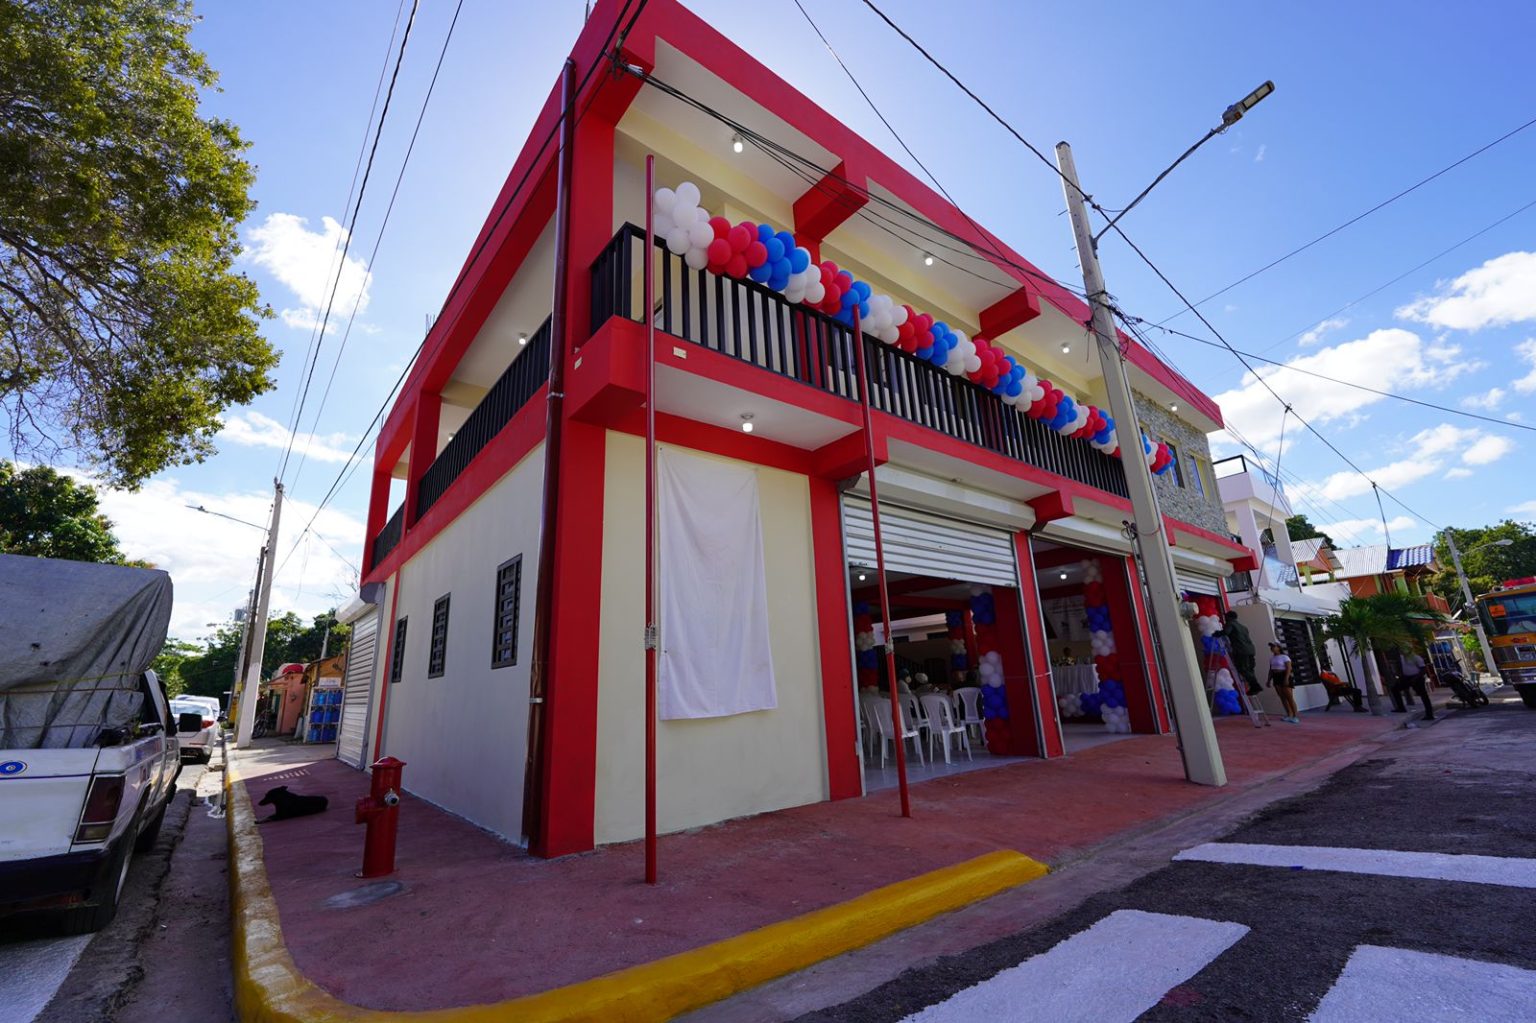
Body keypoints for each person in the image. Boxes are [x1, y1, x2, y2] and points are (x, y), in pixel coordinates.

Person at [1220, 612, 1261, 696]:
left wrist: (1217, 633)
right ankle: (1253, 687)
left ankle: (1255, 687)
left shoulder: (1230, 624)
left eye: (1225, 617)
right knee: (1250, 669)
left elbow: (1226, 632)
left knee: (1243, 669)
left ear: (1229, 617)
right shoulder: (1243, 627)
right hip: (1251, 650)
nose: (1224, 618)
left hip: (1241, 650)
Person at [1394, 648, 1435, 721]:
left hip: (1417, 677)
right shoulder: (1402, 658)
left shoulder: (1416, 657)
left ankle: (1429, 714)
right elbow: (1401, 667)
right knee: (1395, 689)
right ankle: (1401, 708)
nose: (1402, 652)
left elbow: (1423, 669)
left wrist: (1416, 678)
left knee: (1423, 695)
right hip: (1406, 677)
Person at [1268, 641, 1299, 723]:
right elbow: (1271, 670)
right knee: (1282, 697)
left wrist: (1286, 678)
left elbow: (1289, 668)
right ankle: (1289, 714)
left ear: (1279, 647)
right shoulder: (1272, 658)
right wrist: (1268, 680)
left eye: (1273, 646)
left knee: (1289, 697)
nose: (1272, 648)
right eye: (1271, 647)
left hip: (1284, 676)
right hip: (1276, 677)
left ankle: (1295, 716)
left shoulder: (1285, 657)